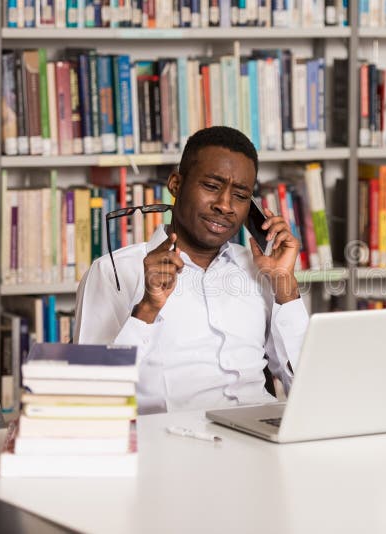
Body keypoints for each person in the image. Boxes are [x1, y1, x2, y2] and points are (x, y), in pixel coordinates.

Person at [74, 126, 309, 414]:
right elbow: (90, 397)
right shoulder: (113, 271)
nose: (225, 205)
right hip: (173, 443)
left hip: (259, 435)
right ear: (175, 183)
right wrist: (147, 309)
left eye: (240, 195)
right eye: (211, 186)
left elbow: (310, 389)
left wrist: (285, 286)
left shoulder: (262, 271)